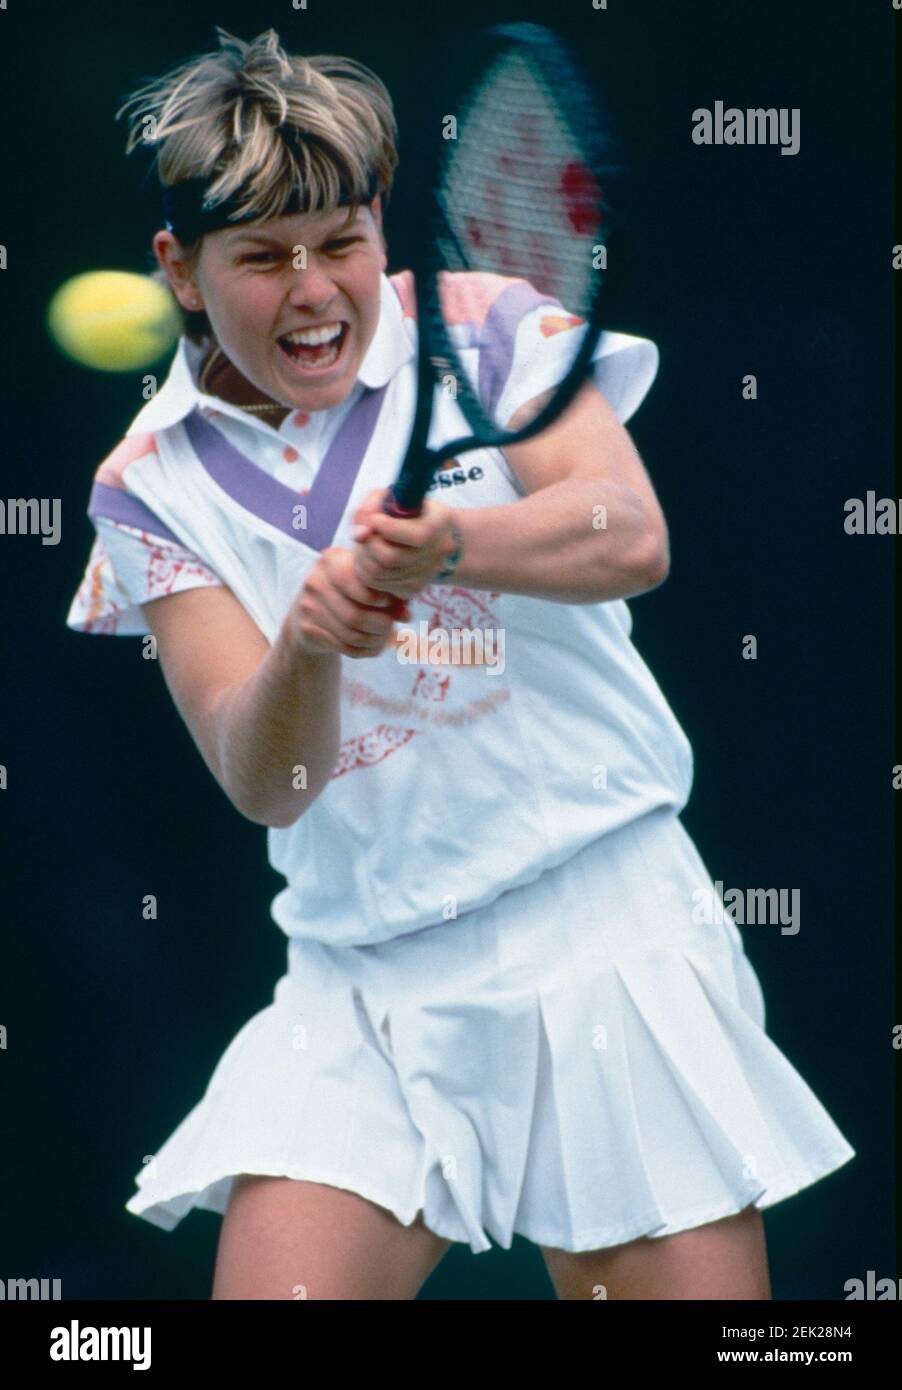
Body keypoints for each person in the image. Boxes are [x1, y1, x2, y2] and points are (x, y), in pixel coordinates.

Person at [66, 26, 855, 1300]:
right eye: (263, 258)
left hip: (604, 925)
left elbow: (628, 532)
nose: (314, 289)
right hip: (360, 981)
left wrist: (447, 544)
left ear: (382, 221)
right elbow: (265, 777)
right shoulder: (144, 488)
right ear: (180, 269)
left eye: (340, 243)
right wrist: (311, 647)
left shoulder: (483, 328)